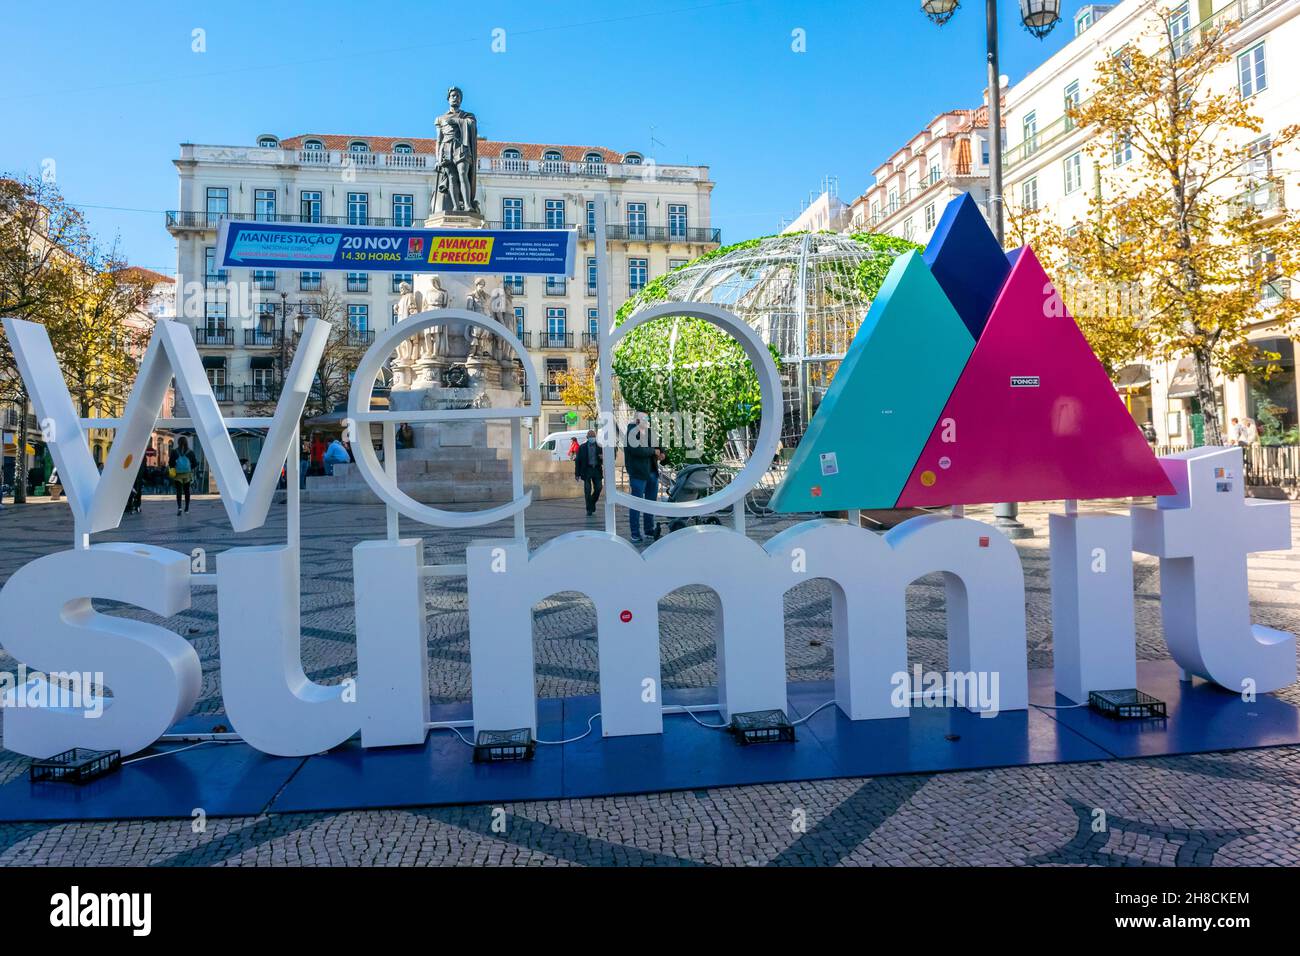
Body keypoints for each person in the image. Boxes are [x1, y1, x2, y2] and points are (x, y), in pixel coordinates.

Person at [624, 413, 660, 543]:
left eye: (648, 419)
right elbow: (638, 451)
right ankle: (635, 533)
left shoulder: (650, 432)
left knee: (650, 503)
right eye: (645, 419)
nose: (647, 421)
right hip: (638, 474)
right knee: (636, 504)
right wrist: (653, 451)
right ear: (638, 420)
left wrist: (662, 453)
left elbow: (658, 446)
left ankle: (649, 530)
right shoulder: (631, 433)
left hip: (652, 473)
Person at [574, 429, 603, 518]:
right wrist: (577, 474)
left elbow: (606, 459)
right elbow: (578, 461)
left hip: (597, 470)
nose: (592, 438)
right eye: (590, 437)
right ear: (587, 437)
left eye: (593, 436)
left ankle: (592, 502)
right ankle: (589, 509)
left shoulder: (600, 447)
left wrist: (602, 458)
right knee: (587, 490)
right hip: (587, 470)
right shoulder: (582, 447)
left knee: (598, 488)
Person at [169, 437, 195, 516]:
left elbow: (170, 463)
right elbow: (195, 463)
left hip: (178, 474)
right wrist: (190, 467)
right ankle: (186, 508)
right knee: (187, 491)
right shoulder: (190, 452)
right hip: (187, 474)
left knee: (179, 491)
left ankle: (179, 507)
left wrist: (174, 467)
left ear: (178, 442)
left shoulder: (174, 452)